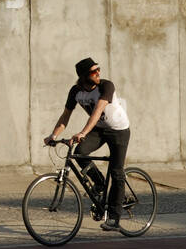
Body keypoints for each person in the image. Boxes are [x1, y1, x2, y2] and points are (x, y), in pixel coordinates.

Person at [44, 57, 131, 231]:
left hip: (118, 130)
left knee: (116, 172)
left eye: (99, 69)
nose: (98, 73)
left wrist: (82, 133)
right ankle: (99, 184)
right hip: (98, 130)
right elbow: (65, 116)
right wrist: (53, 135)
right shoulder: (75, 91)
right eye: (94, 71)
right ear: (84, 76)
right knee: (80, 152)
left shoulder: (106, 86)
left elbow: (97, 112)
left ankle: (114, 218)